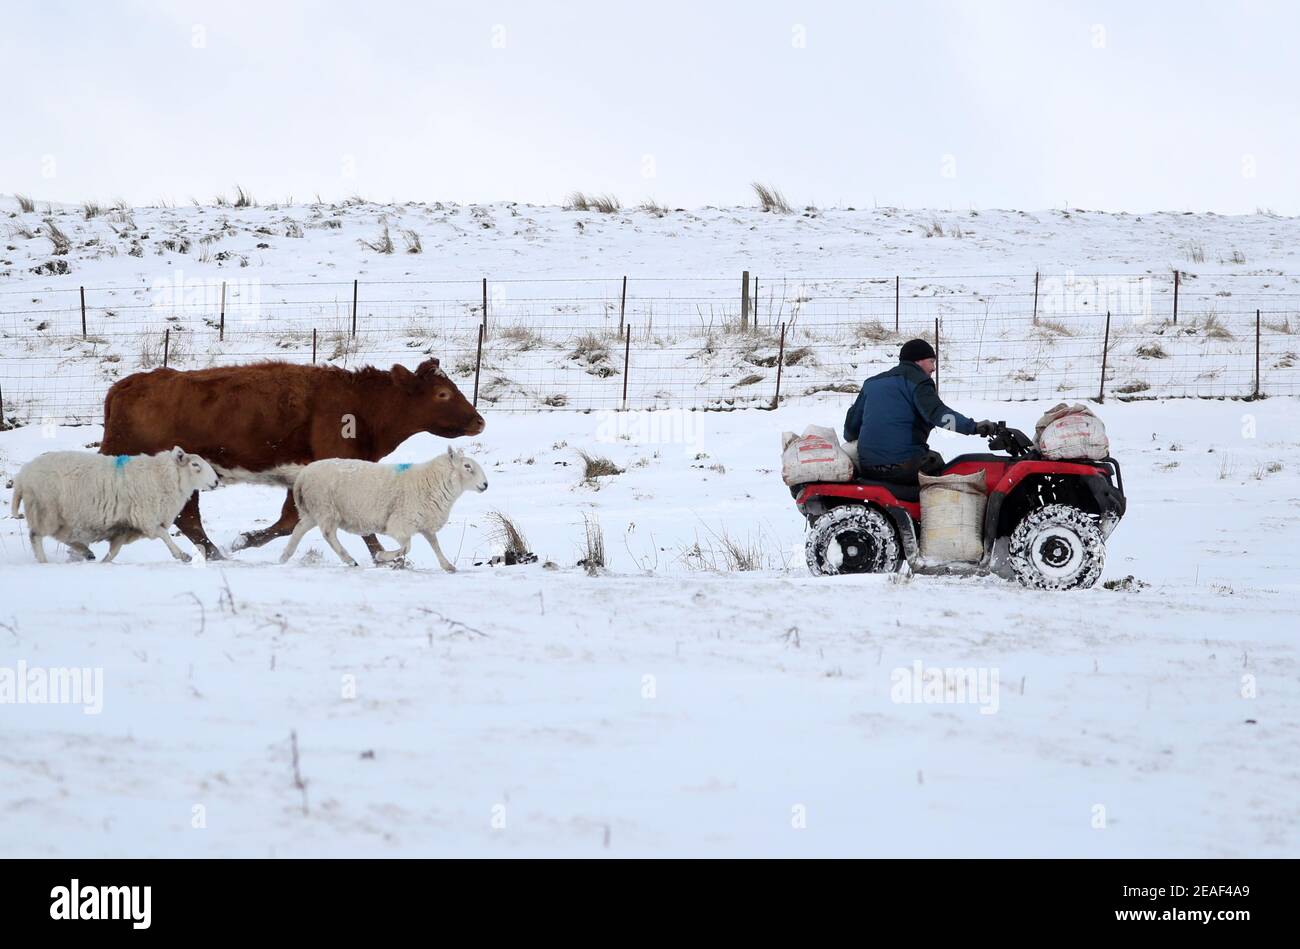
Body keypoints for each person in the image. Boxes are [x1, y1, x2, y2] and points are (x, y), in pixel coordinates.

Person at [843, 338, 997, 485]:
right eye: (931, 361)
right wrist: (974, 427)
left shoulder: (872, 383)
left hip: (867, 467)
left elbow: (850, 430)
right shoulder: (919, 381)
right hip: (903, 465)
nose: (933, 368)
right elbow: (938, 414)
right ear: (918, 361)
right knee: (939, 465)